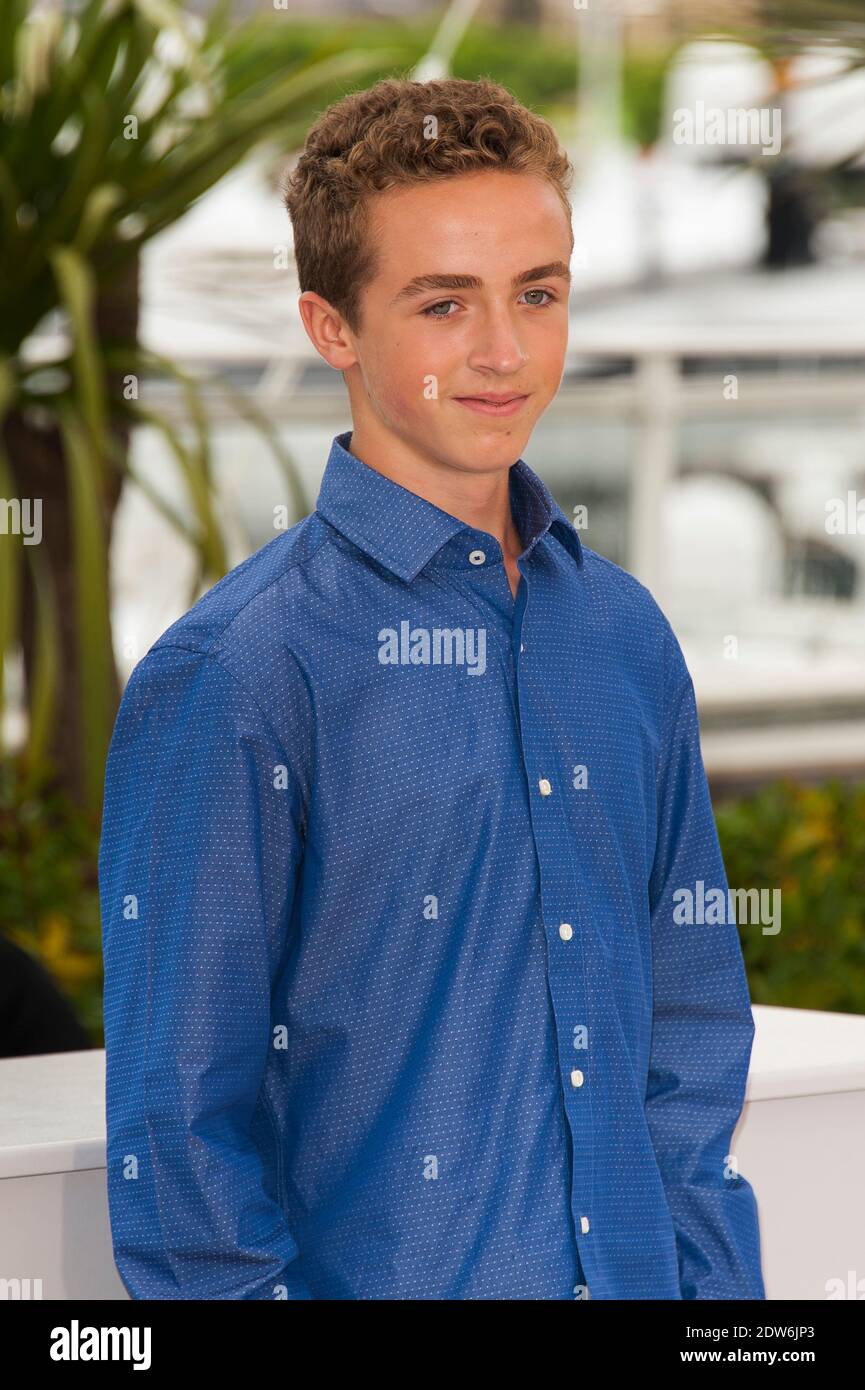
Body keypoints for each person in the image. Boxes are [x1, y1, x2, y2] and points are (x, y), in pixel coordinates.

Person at [99, 77, 766, 1300]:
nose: (504, 351)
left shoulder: (623, 635)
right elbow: (180, 1142)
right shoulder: (236, 673)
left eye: (538, 293)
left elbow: (689, 1035)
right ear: (332, 327)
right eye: (443, 303)